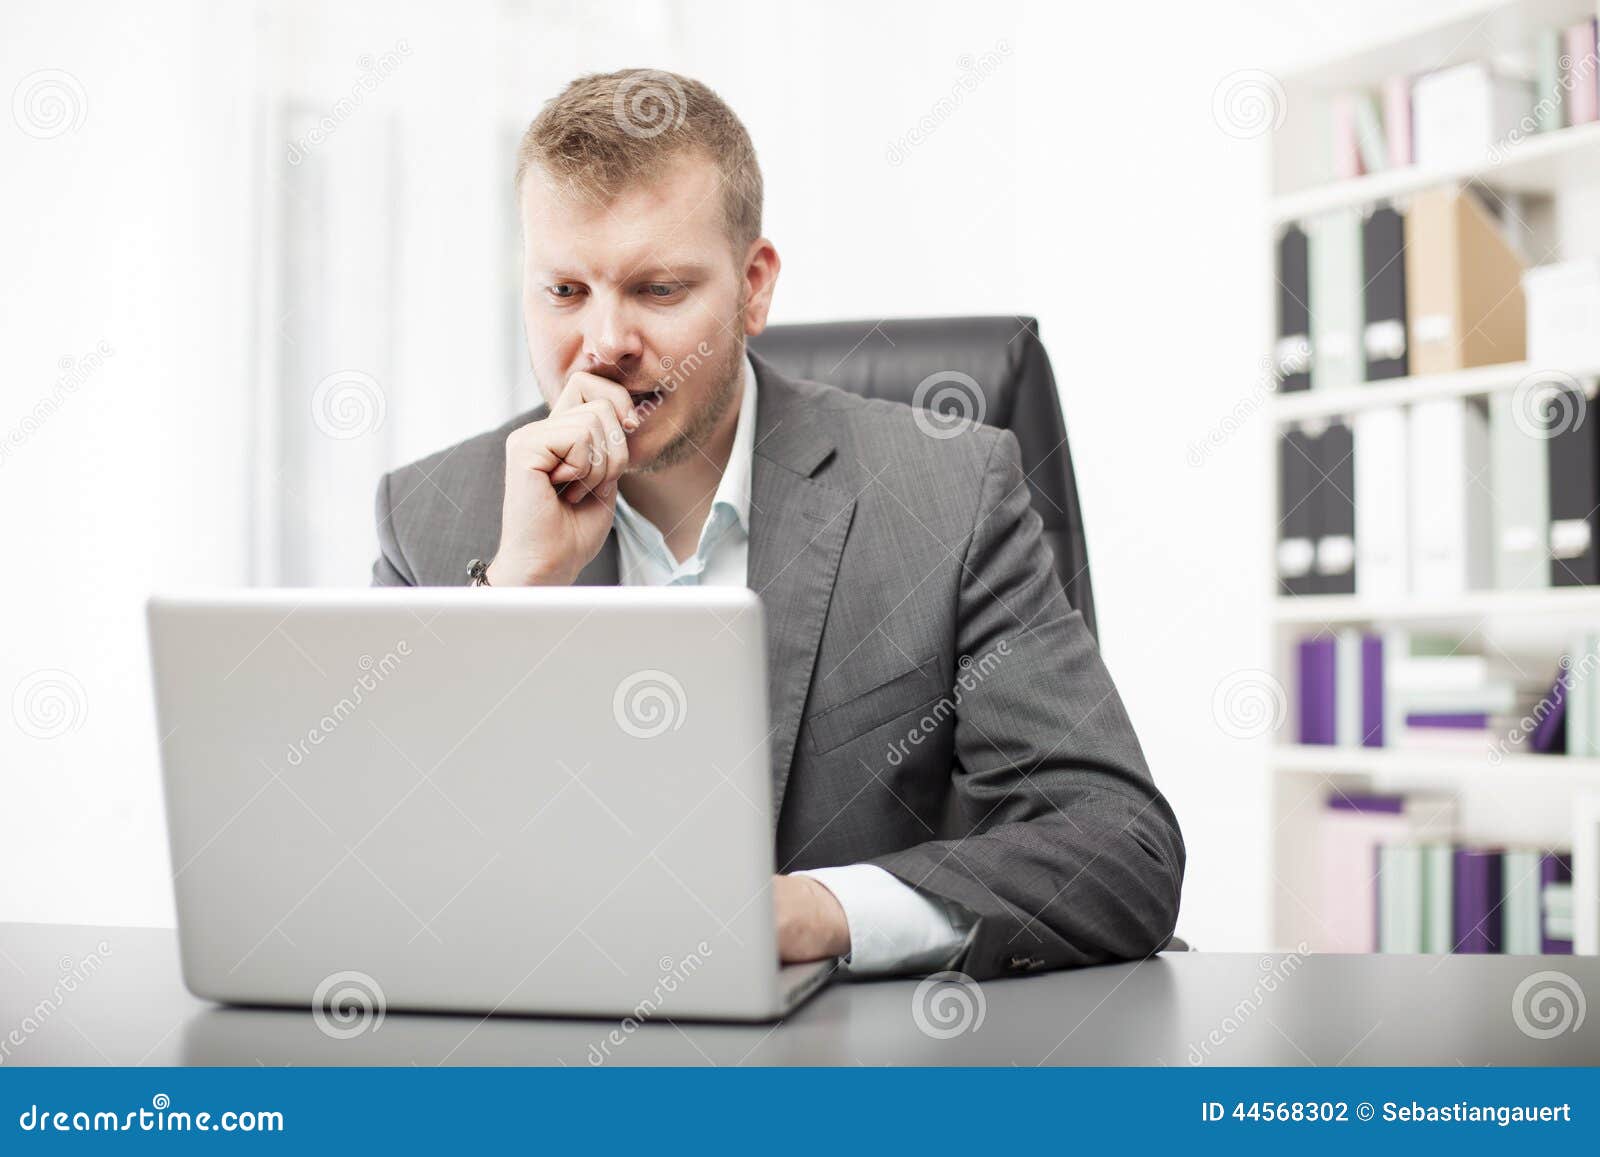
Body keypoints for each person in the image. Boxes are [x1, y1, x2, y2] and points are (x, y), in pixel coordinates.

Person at [371, 68, 1184, 980]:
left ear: (754, 289)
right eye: (565, 291)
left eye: (659, 289)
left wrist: (819, 911)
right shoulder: (432, 517)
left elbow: (1121, 848)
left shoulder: (946, 494)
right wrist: (516, 597)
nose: (603, 343)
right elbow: (368, 877)